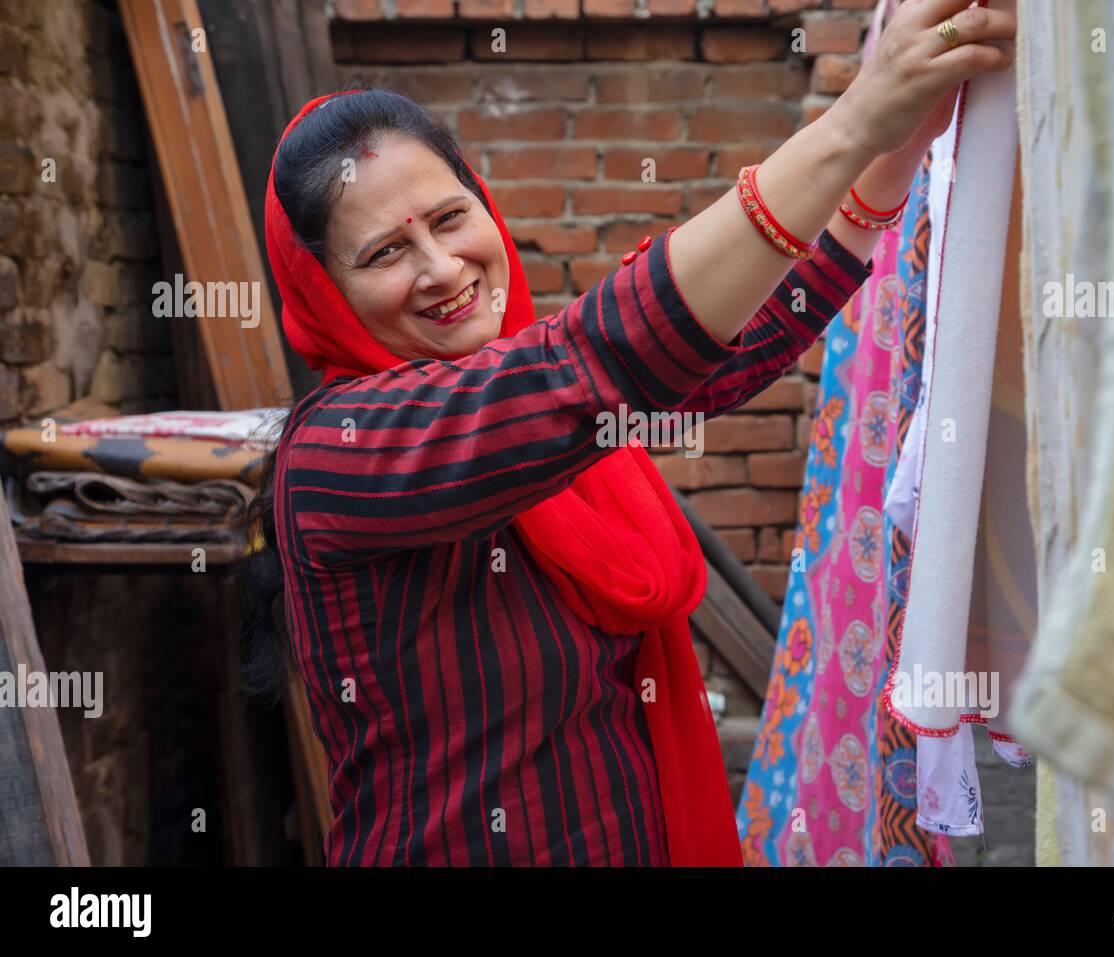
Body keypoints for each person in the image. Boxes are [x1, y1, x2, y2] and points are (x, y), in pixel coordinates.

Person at [240, 0, 1016, 866]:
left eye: (452, 217)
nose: (441, 267)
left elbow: (717, 353)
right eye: (385, 252)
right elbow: (602, 360)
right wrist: (853, 121)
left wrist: (895, 148)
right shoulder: (337, 456)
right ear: (324, 294)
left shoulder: (549, 421)